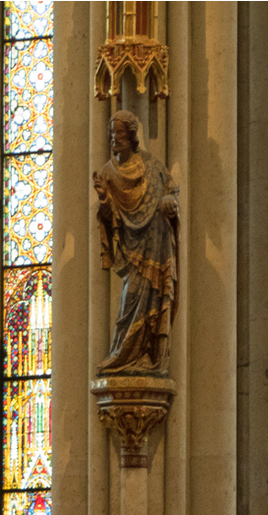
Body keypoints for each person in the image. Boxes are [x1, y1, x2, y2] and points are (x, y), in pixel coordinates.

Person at [92, 109, 179, 375]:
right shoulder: (108, 172)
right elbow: (108, 219)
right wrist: (104, 199)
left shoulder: (151, 165)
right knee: (129, 300)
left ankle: (149, 356)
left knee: (155, 298)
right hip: (131, 249)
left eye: (118, 133)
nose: (114, 138)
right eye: (111, 133)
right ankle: (122, 355)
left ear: (131, 136)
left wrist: (169, 201)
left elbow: (170, 190)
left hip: (156, 242)